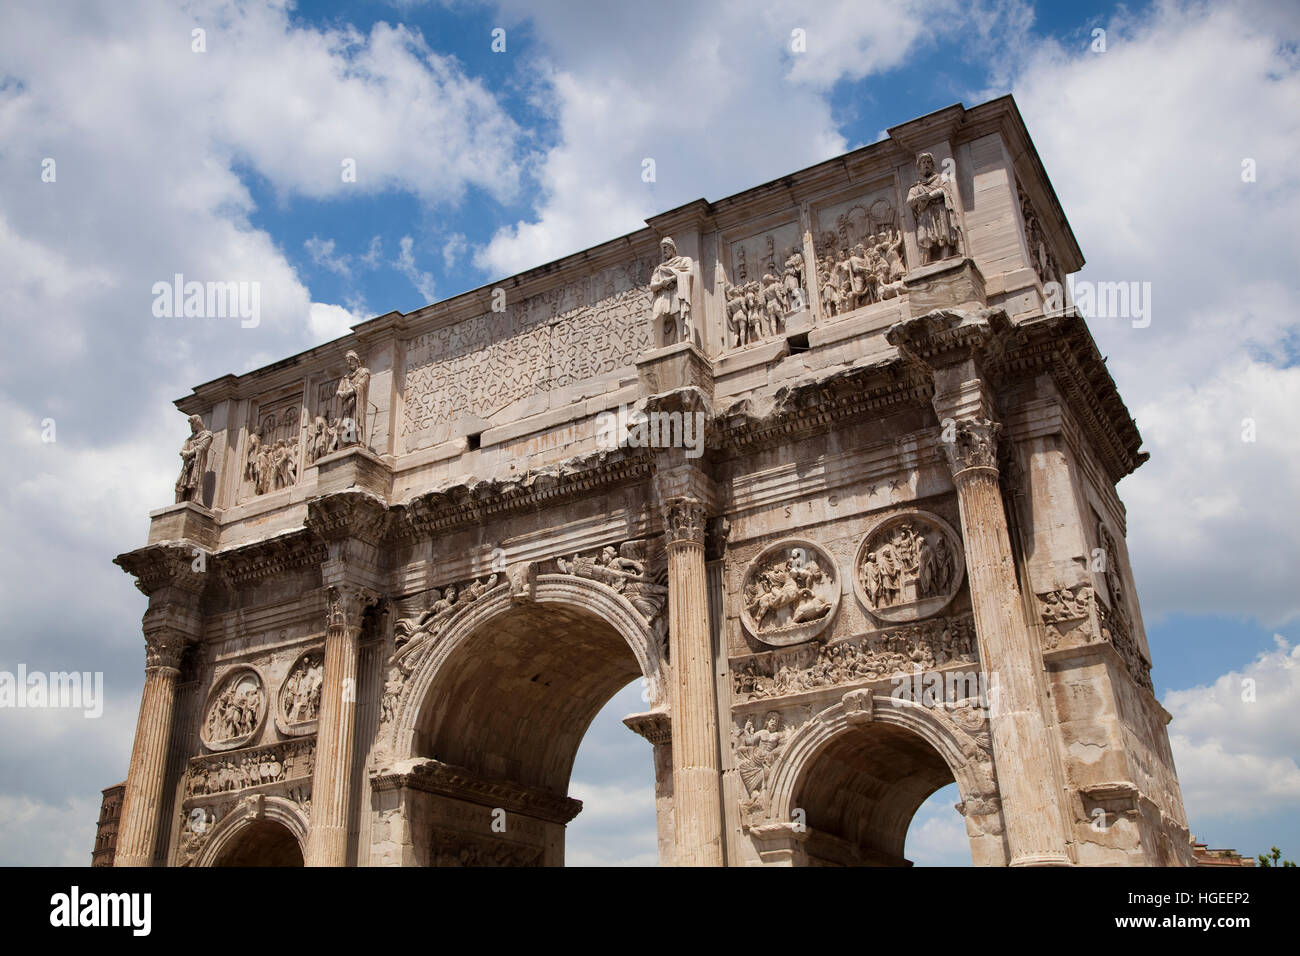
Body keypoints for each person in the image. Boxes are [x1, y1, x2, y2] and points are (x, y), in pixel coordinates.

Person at [649, 236, 694, 345]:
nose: (663, 251)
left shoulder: (684, 261)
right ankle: (658, 346)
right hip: (663, 294)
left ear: (672, 248)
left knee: (678, 316)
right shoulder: (660, 268)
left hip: (677, 291)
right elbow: (652, 285)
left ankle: (681, 342)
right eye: (662, 249)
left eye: (665, 247)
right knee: (657, 316)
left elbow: (690, 274)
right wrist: (662, 283)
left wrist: (674, 278)